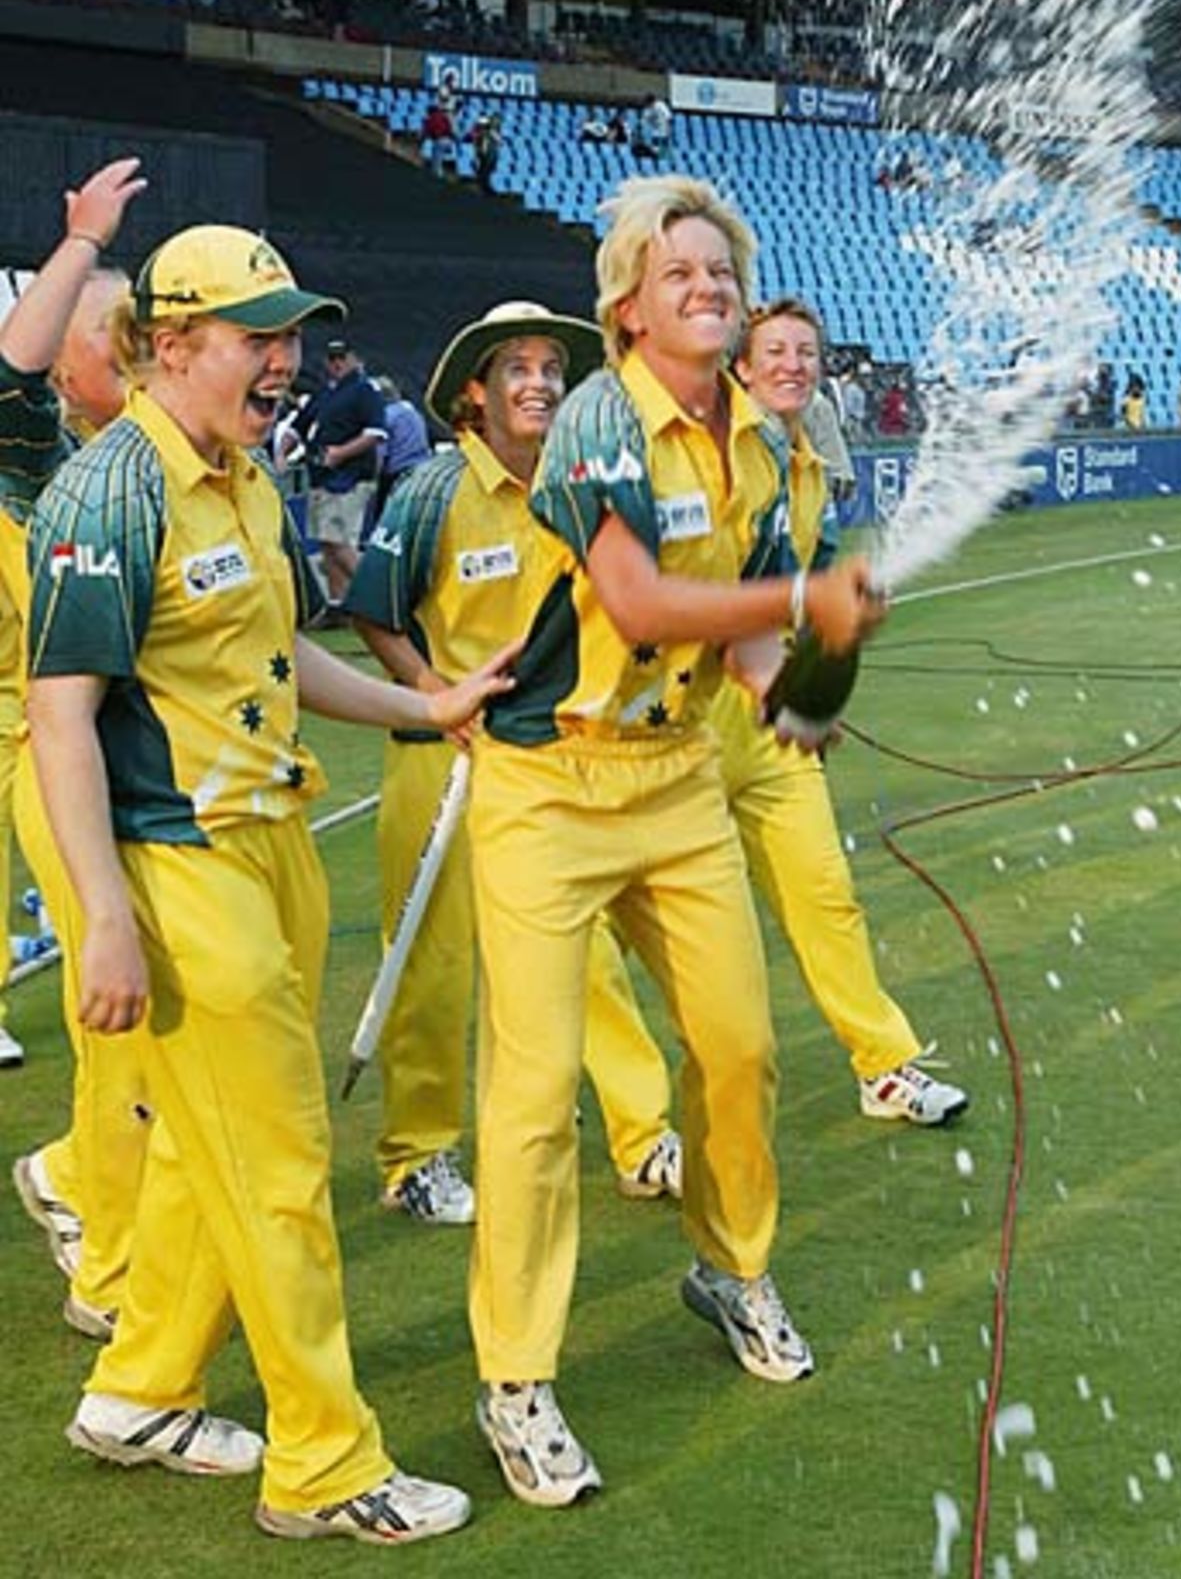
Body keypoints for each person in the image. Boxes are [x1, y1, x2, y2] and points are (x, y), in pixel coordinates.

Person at [25, 223, 517, 1546]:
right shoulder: (107, 494)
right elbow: (61, 719)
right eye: (259, 336)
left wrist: (430, 704)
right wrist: (107, 922)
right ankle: (322, 1461)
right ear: (172, 344)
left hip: (272, 846)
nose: (285, 361)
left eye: (291, 333)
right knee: (285, 1168)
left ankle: (139, 1389)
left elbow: (289, 657)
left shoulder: (245, 477)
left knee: (204, 1152)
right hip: (181, 866)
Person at [465, 175, 883, 1509]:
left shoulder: (754, 438)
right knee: (534, 1103)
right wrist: (807, 592)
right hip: (546, 788)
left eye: (722, 271)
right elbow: (640, 600)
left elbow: (743, 629)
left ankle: (733, 1267)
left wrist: (789, 679)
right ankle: (515, 1373)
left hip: (679, 779)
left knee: (744, 1049)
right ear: (629, 305)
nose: (708, 287)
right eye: (681, 272)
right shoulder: (597, 416)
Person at [345, 302, 681, 1226]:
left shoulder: (583, 484)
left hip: (559, 760)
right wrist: (434, 691)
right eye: (517, 369)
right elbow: (374, 609)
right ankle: (417, 1153)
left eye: (549, 368)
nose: (538, 383)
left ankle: (641, 1134)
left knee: (589, 954)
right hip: (441, 759)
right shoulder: (429, 490)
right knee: (434, 963)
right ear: (475, 393)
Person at [722, 299, 968, 1124]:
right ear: (742, 368)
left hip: (769, 727)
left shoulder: (805, 465)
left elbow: (809, 588)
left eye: (806, 353)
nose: (793, 364)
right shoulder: (708, 454)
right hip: (682, 725)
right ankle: (636, 1122)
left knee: (825, 891)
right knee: (625, 926)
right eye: (776, 352)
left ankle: (886, 1065)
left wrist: (828, 648)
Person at [4, 160, 154, 1338]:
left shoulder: (157, 463)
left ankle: (71, 1174)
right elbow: (4, 377)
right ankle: (103, 1244)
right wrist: (81, 246)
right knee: (123, 1020)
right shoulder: (42, 463)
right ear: (68, 364)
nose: (148, 353)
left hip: (146, 771)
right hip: (49, 763)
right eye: (124, 337)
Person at [291, 338, 385, 604]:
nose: (336, 363)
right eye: (332, 358)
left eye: (342, 357)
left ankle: (383, 600)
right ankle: (338, 604)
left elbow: (376, 433)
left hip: (350, 478)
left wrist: (340, 453)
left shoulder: (365, 390)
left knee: (340, 544)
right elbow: (297, 426)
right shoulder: (326, 393)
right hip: (322, 476)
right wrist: (282, 453)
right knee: (327, 542)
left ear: (355, 359)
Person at [361, 376, 431, 540]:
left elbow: (380, 455)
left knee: (384, 522)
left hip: (396, 476)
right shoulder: (413, 413)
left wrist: (373, 481)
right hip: (423, 472)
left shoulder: (384, 418)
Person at [470, 111, 502, 195]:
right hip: (484, 150)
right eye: (496, 119)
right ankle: (481, 187)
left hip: (492, 151)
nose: (497, 122)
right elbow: (475, 135)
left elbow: (499, 141)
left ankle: (486, 186)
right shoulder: (485, 126)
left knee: (488, 169)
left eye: (498, 120)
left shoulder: (496, 129)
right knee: (483, 169)